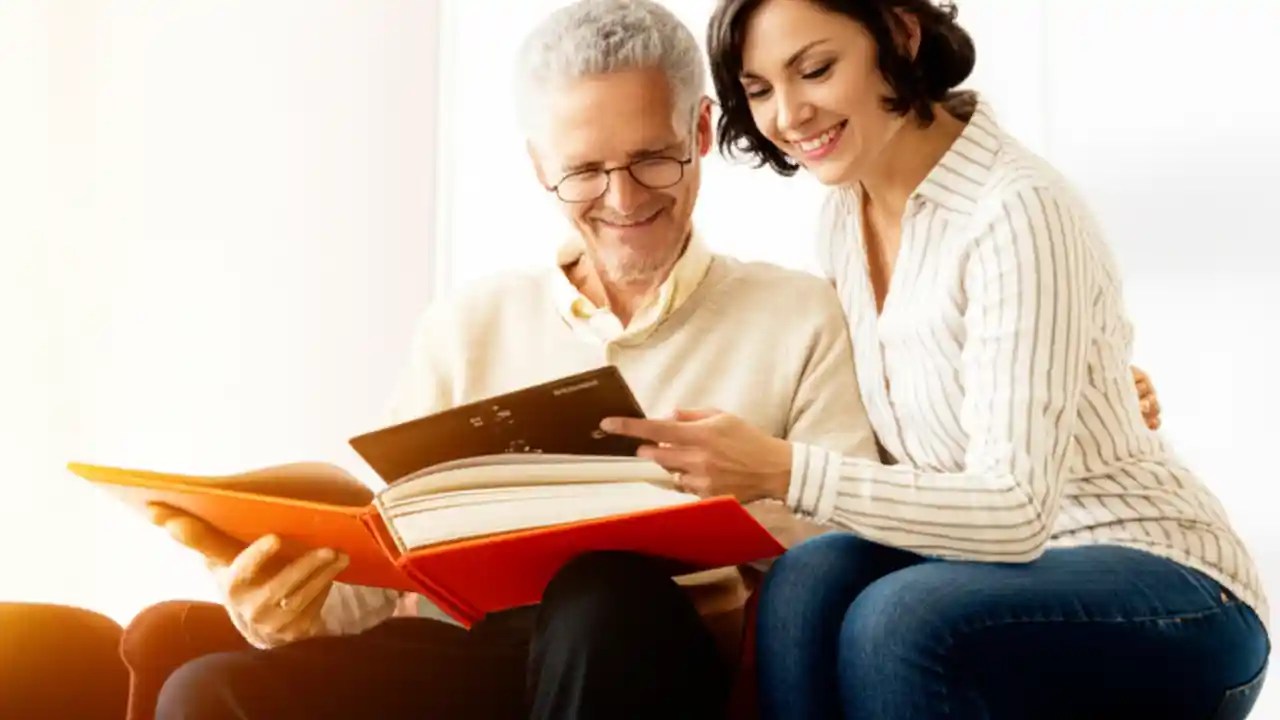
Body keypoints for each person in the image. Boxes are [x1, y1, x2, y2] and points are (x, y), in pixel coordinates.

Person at [143, 1, 877, 718]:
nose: (621, 199)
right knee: (207, 690)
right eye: (583, 170)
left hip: (651, 656)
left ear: (702, 129)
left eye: (652, 159)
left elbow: (847, 546)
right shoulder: (469, 326)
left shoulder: (799, 315)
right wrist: (276, 607)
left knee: (601, 595)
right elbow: (387, 559)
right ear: (537, 165)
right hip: (473, 657)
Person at [600, 0, 1268, 718]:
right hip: (989, 570)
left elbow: (1015, 511)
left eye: (816, 69)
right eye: (759, 89)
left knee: (900, 620)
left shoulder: (1014, 209)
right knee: (807, 582)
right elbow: (899, 451)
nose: (789, 114)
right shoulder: (843, 216)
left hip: (1170, 584)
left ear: (900, 35)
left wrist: (780, 467)